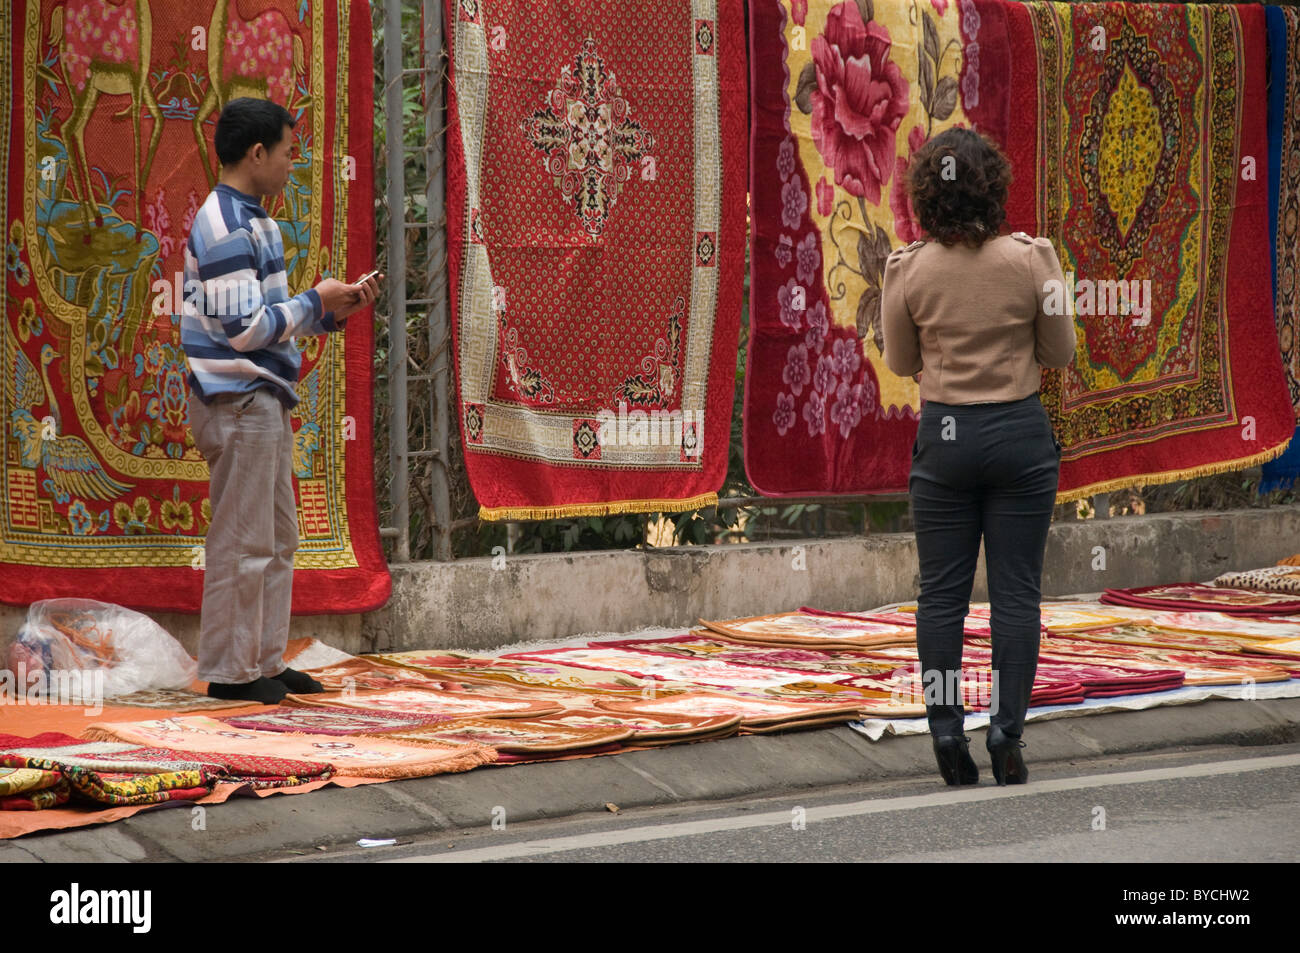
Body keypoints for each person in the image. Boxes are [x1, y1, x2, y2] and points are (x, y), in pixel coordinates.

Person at [881, 127, 1076, 785]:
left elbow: (902, 361)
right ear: (994, 186)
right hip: (1019, 435)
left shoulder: (908, 271)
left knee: (941, 597)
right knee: (1017, 591)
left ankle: (944, 730)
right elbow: (1061, 351)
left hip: (946, 440)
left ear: (925, 198)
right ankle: (1005, 729)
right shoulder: (1032, 261)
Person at [181, 98, 381, 704]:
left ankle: (261, 661)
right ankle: (228, 672)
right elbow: (244, 331)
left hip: (259, 397)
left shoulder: (257, 222)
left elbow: (270, 322)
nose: (295, 164)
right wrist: (314, 302)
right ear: (257, 152)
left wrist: (328, 309)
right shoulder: (222, 224)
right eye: (289, 152)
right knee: (242, 540)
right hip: (237, 399)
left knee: (274, 538)